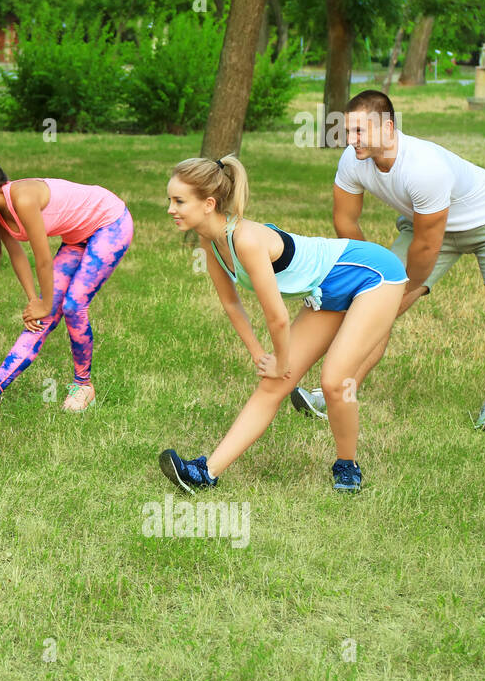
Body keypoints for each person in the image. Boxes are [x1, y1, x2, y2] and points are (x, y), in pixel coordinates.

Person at [159, 155, 406, 493]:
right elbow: (231, 303)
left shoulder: (245, 239)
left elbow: (277, 316)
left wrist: (283, 361)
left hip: (373, 275)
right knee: (271, 386)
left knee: (334, 382)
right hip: (325, 291)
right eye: (170, 200)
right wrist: (261, 355)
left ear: (209, 204)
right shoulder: (211, 241)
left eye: (179, 201)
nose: (170, 208)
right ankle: (205, 473)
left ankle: (347, 466)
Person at [289, 89, 485, 429]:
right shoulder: (353, 160)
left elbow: (428, 248)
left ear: (388, 128)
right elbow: (346, 222)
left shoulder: (423, 167)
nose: (350, 139)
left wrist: (404, 288)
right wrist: (373, 277)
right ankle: (335, 393)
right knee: (376, 306)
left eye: (360, 131)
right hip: (427, 226)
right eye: (348, 130)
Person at [0, 149, 133, 413]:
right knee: (43, 314)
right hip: (77, 238)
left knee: (74, 305)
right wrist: (35, 300)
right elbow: (18, 256)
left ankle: (83, 386)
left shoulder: (23, 197)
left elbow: (42, 257)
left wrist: (45, 303)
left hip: (110, 223)